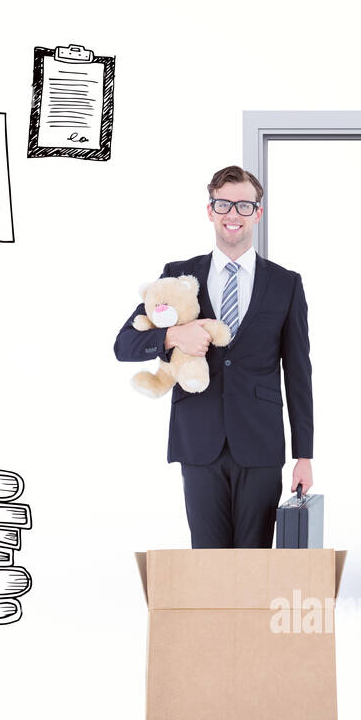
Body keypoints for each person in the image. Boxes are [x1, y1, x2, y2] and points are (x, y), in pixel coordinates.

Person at [114, 165, 313, 549]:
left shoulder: (286, 283)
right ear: (210, 210)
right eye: (223, 204)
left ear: (258, 212)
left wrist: (304, 455)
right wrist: (173, 334)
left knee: (254, 562)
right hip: (198, 439)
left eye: (243, 205)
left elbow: (299, 373)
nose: (232, 214)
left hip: (260, 444)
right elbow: (124, 345)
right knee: (207, 562)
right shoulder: (178, 274)